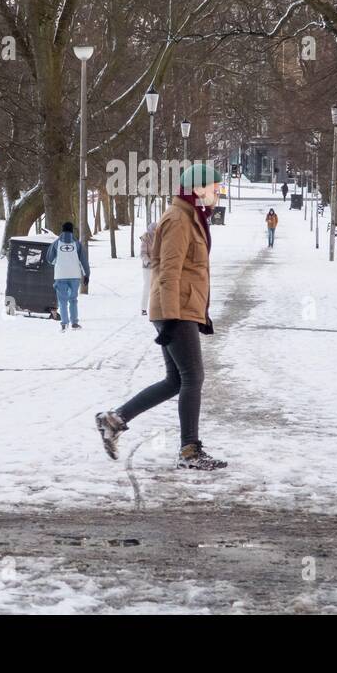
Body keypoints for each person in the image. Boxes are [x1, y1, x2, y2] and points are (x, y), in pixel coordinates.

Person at [95, 163, 227, 470]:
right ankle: (189, 452)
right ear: (198, 189)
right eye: (215, 188)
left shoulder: (191, 217)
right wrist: (168, 319)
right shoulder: (179, 219)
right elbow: (168, 271)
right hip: (174, 309)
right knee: (193, 378)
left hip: (181, 308)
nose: (218, 193)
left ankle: (114, 420)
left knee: (175, 380)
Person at [45, 221, 89, 331]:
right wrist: (86, 274)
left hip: (60, 275)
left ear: (62, 230)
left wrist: (58, 262)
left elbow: (50, 259)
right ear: (72, 231)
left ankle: (64, 323)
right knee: (73, 300)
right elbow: (83, 261)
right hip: (75, 275)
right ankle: (74, 323)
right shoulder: (77, 244)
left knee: (62, 300)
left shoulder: (56, 243)